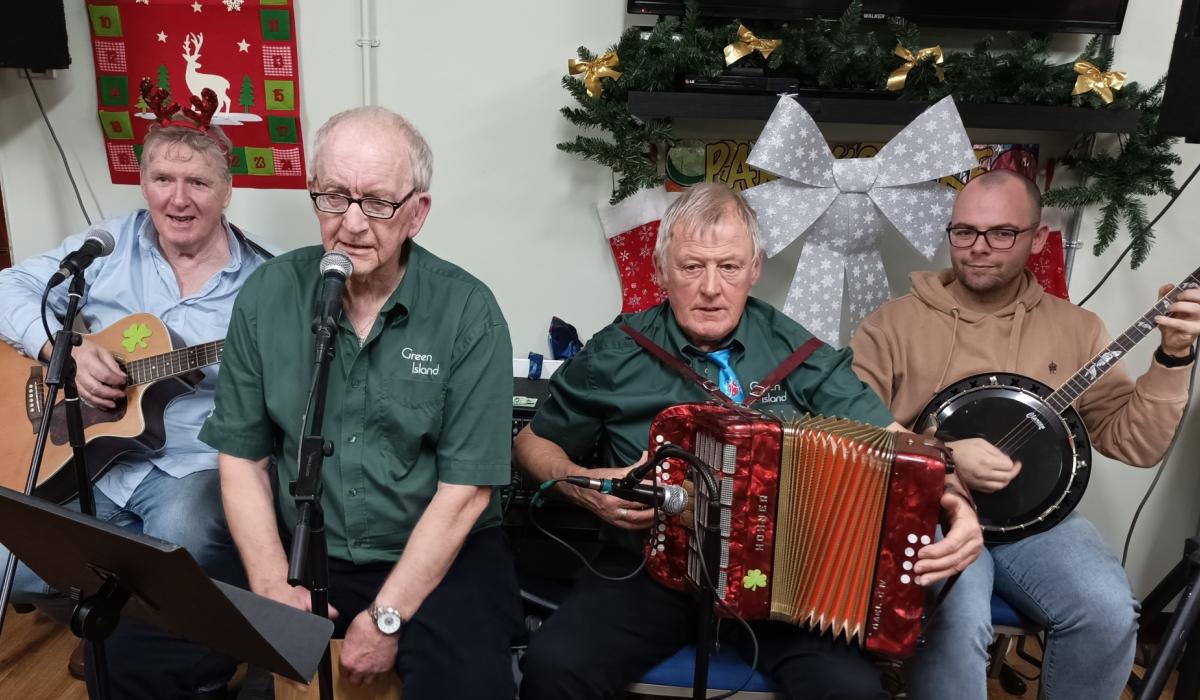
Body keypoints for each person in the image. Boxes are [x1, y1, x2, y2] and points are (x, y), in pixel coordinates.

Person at [514, 182, 982, 700]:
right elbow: (532, 443)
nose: (711, 288)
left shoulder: (798, 354)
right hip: (647, 568)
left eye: (729, 267)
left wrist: (958, 506)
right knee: (554, 667)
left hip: (781, 579)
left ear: (754, 268)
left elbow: (903, 452)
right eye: (692, 266)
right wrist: (586, 487)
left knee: (850, 690)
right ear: (661, 268)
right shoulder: (615, 353)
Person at [199, 106, 521, 698]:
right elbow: (242, 458)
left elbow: (466, 492)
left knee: (465, 683)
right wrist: (272, 585)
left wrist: (388, 614)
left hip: (439, 552)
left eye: (376, 202)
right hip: (306, 545)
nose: (350, 223)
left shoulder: (469, 312)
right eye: (333, 197)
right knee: (145, 644)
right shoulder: (268, 294)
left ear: (417, 213)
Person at [849, 169, 1200, 699]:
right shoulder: (890, 326)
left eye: (1001, 233)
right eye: (964, 232)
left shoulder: (1078, 329)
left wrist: (1173, 358)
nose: (978, 248)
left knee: (1108, 613)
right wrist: (942, 454)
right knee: (955, 616)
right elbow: (851, 434)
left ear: (1037, 238)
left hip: (1037, 524)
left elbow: (1137, 443)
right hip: (928, 511)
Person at [0, 119, 268, 697]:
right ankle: (111, 618)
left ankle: (177, 663)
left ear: (227, 189)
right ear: (143, 183)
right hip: (84, 453)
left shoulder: (264, 282)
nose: (177, 199)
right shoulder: (107, 247)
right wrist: (61, 349)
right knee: (6, 564)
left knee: (183, 539)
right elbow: (7, 289)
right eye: (162, 178)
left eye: (197, 182)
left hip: (190, 467)